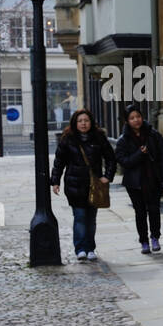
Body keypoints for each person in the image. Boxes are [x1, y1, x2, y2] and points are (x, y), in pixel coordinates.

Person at [50, 109, 117, 262]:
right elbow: (59, 161)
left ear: (91, 122)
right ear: (75, 122)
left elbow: (111, 158)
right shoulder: (68, 139)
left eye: (86, 120)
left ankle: (90, 248)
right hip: (74, 184)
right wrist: (55, 181)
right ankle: (80, 248)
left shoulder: (99, 137)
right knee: (79, 216)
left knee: (91, 218)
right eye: (80, 121)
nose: (83, 123)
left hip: (94, 185)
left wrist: (108, 177)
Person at [115, 105, 163, 254]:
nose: (136, 120)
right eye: (132, 118)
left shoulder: (153, 134)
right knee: (140, 212)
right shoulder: (123, 140)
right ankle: (144, 241)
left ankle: (155, 237)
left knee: (154, 210)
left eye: (138, 116)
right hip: (134, 183)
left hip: (152, 179)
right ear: (127, 121)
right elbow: (123, 161)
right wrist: (139, 154)